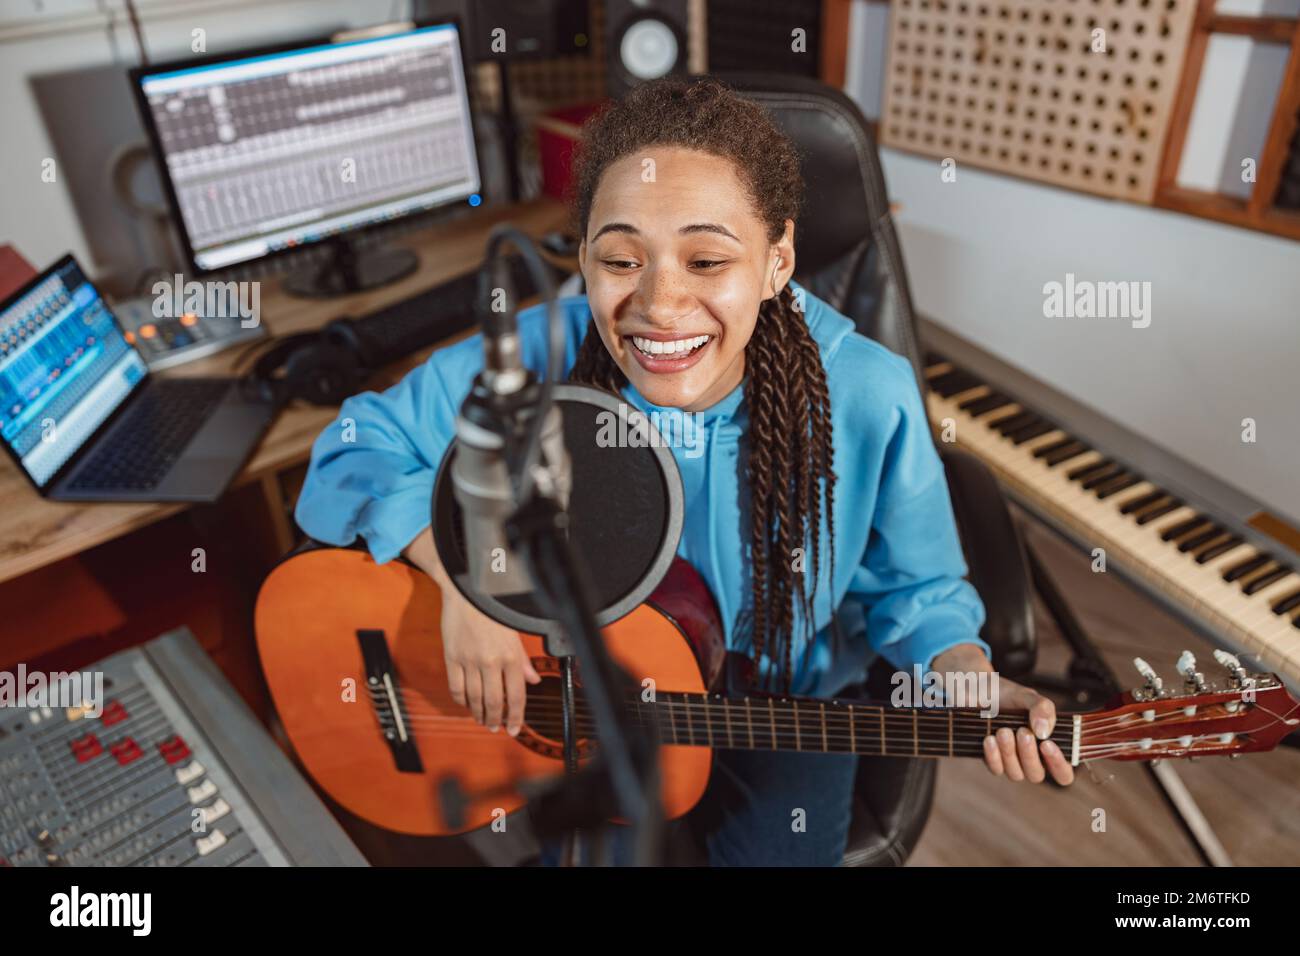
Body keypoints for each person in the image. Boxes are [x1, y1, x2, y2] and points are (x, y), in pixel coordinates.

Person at [295, 76, 1075, 866]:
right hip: (590, 690)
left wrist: (965, 677)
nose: (660, 306)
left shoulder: (868, 393)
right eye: (621, 258)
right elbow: (350, 447)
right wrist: (461, 579)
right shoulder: (541, 353)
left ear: (778, 262)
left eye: (706, 259)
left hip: (787, 709)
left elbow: (921, 592)